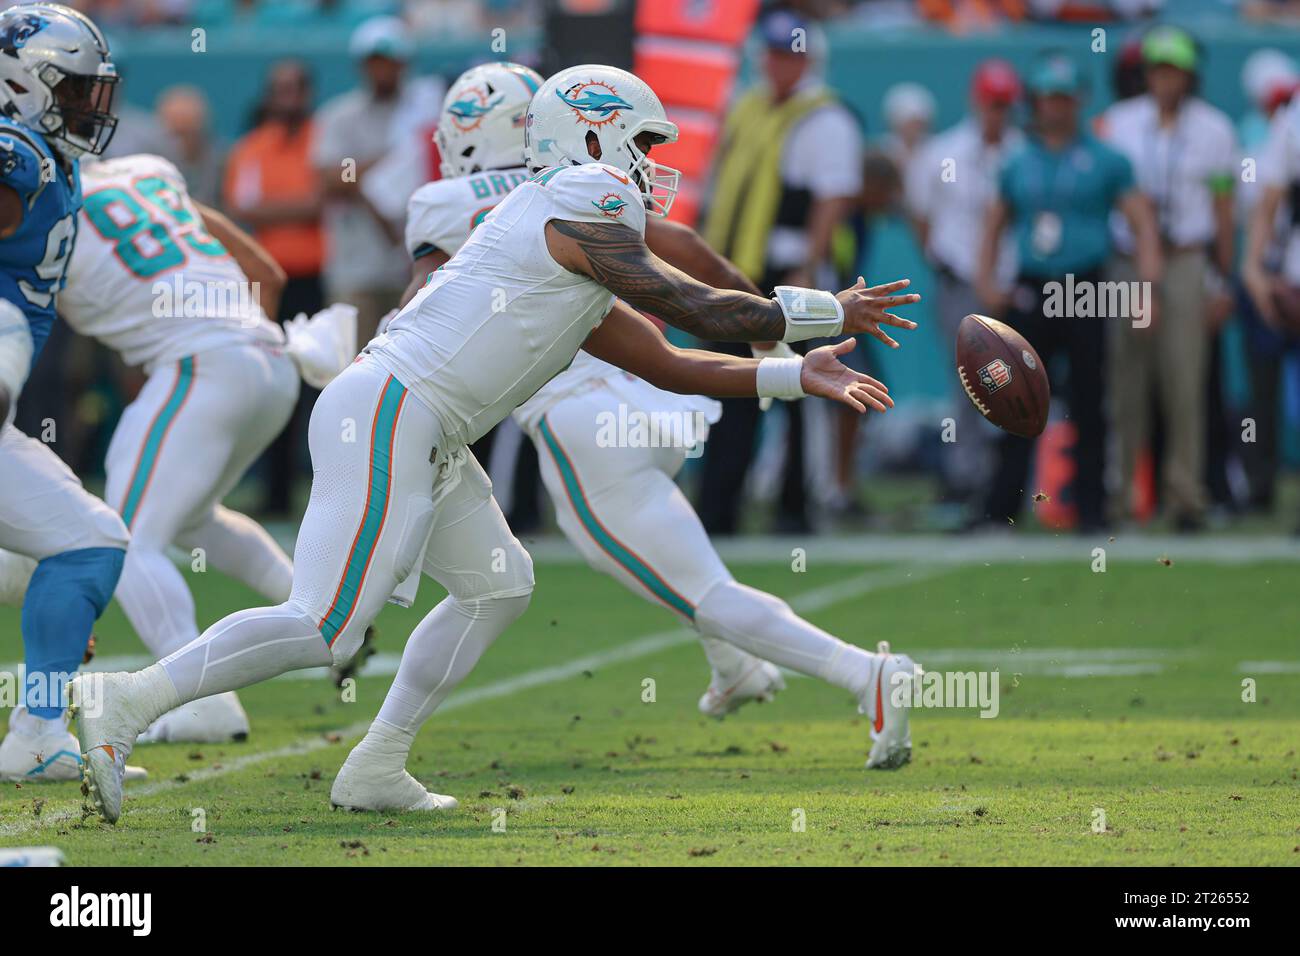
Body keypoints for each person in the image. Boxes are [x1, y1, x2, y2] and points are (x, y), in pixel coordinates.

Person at [71, 64, 923, 823]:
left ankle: (377, 764)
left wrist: (792, 376)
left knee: (499, 584)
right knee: (325, 624)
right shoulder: (580, 199)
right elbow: (692, 301)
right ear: (592, 136)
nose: (653, 160)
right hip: (392, 410)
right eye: (645, 139)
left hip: (420, 423)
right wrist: (818, 314)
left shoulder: (560, 243)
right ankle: (129, 700)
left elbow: (667, 361)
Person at [0, 3, 133, 783]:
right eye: (76, 90)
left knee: (83, 545)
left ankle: (40, 732)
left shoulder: (43, 152)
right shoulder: (15, 148)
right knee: (85, 542)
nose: (90, 106)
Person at [975, 52, 1161, 534]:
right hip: (1033, 285)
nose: (1053, 108)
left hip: (1085, 286)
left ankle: (1091, 507)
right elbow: (996, 222)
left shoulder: (1107, 159)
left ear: (1077, 101)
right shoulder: (1019, 160)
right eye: (1046, 98)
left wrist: (1148, 289)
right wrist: (987, 281)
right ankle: (1003, 506)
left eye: (1062, 98)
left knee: (1090, 395)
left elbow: (1141, 223)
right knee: (1015, 394)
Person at [699, 7, 866, 534]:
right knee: (732, 386)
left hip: (791, 274)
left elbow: (833, 199)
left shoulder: (826, 117)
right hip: (735, 272)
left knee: (801, 389)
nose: (778, 65)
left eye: (788, 55)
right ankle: (718, 507)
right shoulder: (747, 109)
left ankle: (798, 508)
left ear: (809, 60)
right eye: (771, 54)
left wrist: (809, 269)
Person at [1099, 26, 1237, 532]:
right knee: (1125, 380)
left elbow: (1224, 210)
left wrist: (1223, 279)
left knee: (1185, 381)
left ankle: (1185, 496)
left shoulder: (1214, 128)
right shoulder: (1117, 124)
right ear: (1146, 73)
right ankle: (1120, 493)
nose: (1165, 78)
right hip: (1128, 260)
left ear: (1189, 75)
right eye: (1158, 68)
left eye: (1174, 69)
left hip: (1185, 260)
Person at [907, 59, 1023, 507]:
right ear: (977, 101)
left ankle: (1007, 481)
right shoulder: (943, 153)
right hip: (959, 282)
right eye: (992, 103)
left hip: (1010, 285)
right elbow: (921, 214)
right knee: (969, 385)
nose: (997, 112)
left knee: (1011, 383)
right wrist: (943, 261)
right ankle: (966, 477)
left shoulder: (1020, 152)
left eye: (1004, 105)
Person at [224, 60, 326, 516]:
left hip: (315, 278)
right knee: (271, 383)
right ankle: (276, 492)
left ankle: (328, 492)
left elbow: (319, 201)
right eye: (280, 88)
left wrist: (276, 209)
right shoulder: (252, 147)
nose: (287, 97)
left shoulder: (321, 140)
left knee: (321, 385)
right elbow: (239, 207)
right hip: (266, 283)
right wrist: (296, 208)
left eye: (295, 88)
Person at [311, 16, 417, 345]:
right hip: (354, 265)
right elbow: (330, 177)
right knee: (348, 364)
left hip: (414, 268)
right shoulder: (338, 115)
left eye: (390, 61)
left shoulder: (423, 110)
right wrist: (395, 162)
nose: (382, 69)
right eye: (375, 62)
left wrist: (360, 174)